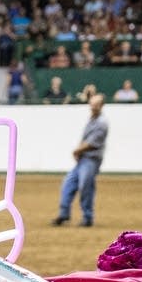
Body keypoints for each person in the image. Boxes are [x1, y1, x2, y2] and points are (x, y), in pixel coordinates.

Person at [53, 94, 107, 228]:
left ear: (101, 106)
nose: (93, 107)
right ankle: (64, 213)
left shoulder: (101, 123)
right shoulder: (93, 120)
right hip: (83, 159)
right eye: (92, 105)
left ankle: (87, 217)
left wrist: (77, 151)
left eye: (95, 105)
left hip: (91, 160)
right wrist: (79, 152)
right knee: (68, 184)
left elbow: (92, 143)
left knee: (85, 187)